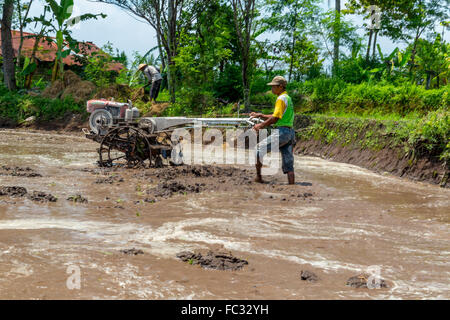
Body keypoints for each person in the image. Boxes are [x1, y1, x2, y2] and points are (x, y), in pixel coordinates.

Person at [251, 76, 296, 185]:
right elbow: (277, 116)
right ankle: (292, 186)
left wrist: (260, 125)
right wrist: (261, 115)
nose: (272, 88)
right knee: (289, 163)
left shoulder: (280, 99)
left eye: (273, 86)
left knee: (258, 149)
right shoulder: (288, 98)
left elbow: (275, 118)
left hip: (282, 133)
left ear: (280, 87)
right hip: (290, 134)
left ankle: (258, 177)